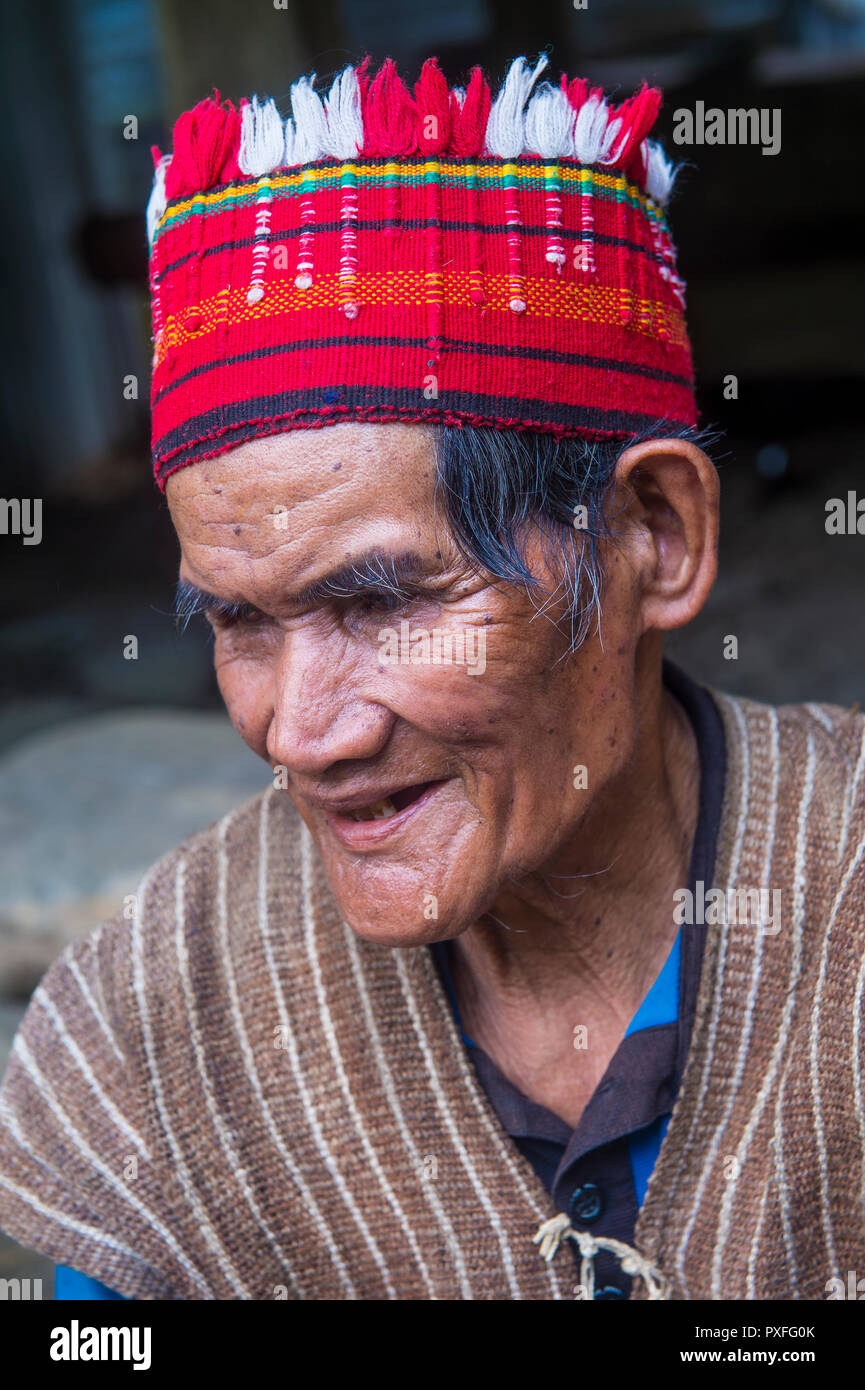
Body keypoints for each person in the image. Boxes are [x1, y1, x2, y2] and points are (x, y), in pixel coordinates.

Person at [1, 55, 863, 1302]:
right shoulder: (155, 1029)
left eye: (382, 600)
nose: (299, 730)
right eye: (241, 621)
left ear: (653, 536)